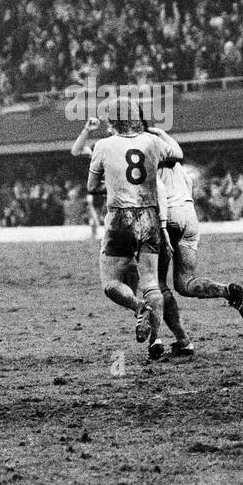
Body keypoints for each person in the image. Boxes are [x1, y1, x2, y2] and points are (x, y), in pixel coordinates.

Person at [144, 124, 243, 360]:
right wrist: (161, 132)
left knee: (158, 284)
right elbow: (191, 188)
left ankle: (180, 341)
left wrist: (161, 226)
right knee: (185, 283)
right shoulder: (181, 167)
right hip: (188, 216)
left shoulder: (149, 160)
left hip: (167, 215)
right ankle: (228, 291)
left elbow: (158, 192)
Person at [85, 98, 173, 355]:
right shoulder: (152, 141)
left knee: (110, 282)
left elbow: (91, 187)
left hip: (121, 218)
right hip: (150, 216)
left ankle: (138, 307)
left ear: (112, 121)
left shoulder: (103, 145)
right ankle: (156, 340)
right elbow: (175, 154)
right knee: (152, 283)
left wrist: (112, 185)